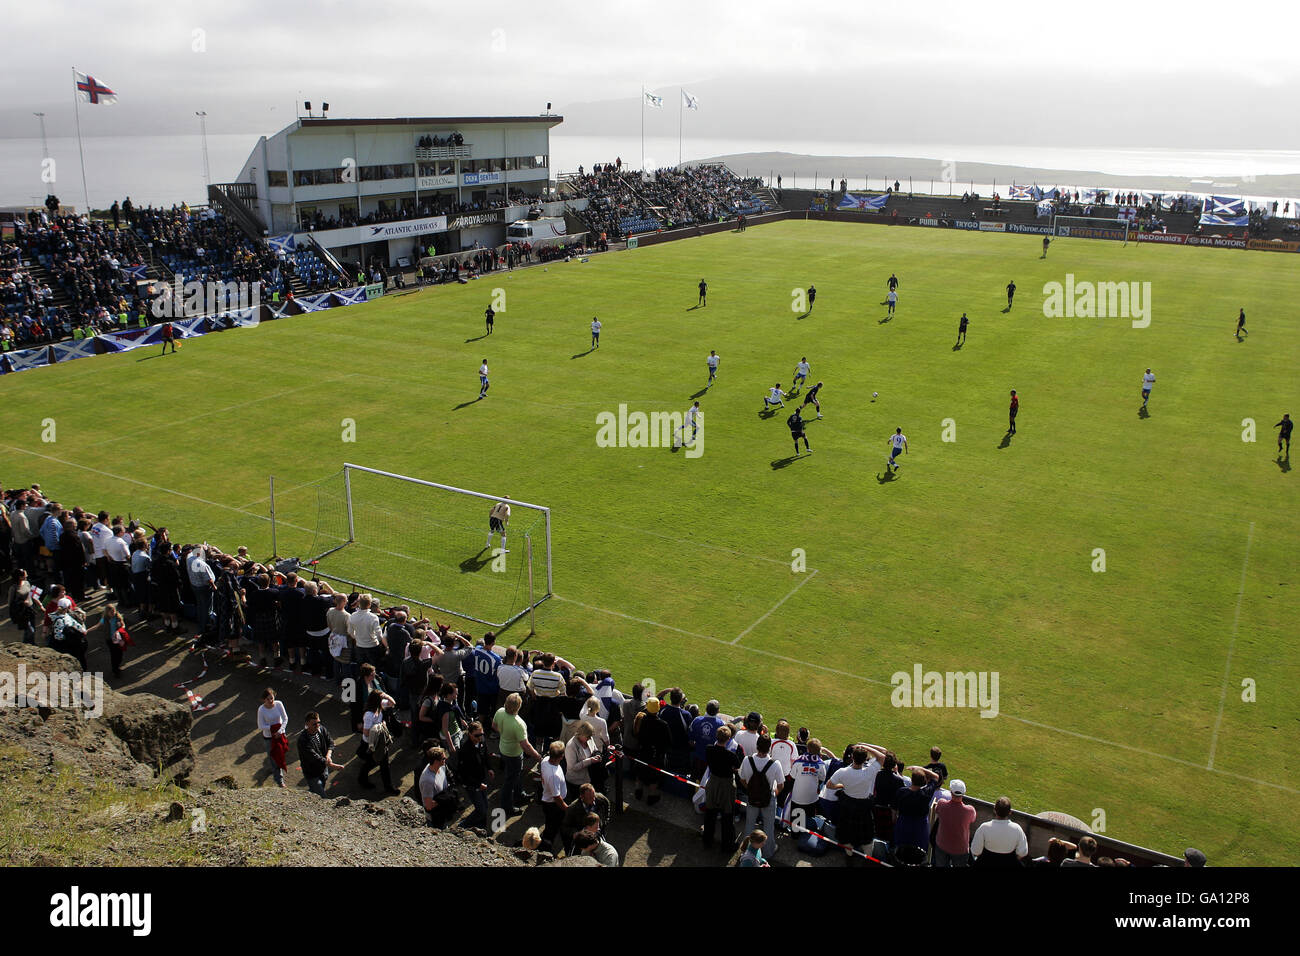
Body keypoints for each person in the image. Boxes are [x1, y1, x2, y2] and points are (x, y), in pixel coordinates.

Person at [493, 692, 543, 817]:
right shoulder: (519, 723)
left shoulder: (500, 711)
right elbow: (526, 746)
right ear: (519, 707)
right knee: (509, 781)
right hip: (513, 754)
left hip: (504, 749)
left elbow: (494, 726)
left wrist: (505, 734)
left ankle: (520, 795)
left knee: (516, 774)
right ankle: (507, 807)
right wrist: (538, 757)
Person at [739, 736, 784, 857]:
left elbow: (742, 779)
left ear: (757, 745)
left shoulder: (747, 760)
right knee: (768, 827)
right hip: (768, 798)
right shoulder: (775, 764)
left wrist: (751, 789)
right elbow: (780, 785)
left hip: (752, 797)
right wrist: (774, 793)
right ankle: (768, 852)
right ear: (769, 748)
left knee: (749, 824)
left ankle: (746, 851)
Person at [702, 723, 741, 850]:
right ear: (728, 739)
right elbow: (737, 767)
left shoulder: (709, 749)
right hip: (726, 784)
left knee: (710, 812)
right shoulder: (731, 756)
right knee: (727, 815)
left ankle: (707, 840)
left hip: (713, 782)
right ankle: (727, 844)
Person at [358, 690, 400, 794]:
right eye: (382, 698)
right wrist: (380, 727)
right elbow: (366, 732)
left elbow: (393, 703)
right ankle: (363, 779)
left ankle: (387, 787)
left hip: (379, 742)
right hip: (371, 743)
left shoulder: (379, 706)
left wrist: (385, 695)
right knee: (373, 763)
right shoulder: (369, 714)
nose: (384, 699)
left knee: (382, 764)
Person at [970, 796, 1029, 867]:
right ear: (1010, 812)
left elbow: (975, 851)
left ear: (994, 810)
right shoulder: (1017, 829)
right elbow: (1023, 852)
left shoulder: (984, 827)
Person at [456, 721, 494, 828]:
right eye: (476, 735)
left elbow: (485, 755)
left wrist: (490, 768)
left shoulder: (482, 742)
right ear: (470, 734)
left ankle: (481, 827)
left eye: (481, 734)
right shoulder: (465, 750)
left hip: (481, 778)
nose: (479, 737)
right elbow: (463, 773)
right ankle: (462, 826)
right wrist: (477, 784)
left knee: (485, 806)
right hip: (472, 784)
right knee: (481, 809)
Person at [298, 711, 343, 797]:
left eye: (318, 722)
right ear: (307, 724)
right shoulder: (303, 740)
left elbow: (331, 742)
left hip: (323, 769)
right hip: (312, 772)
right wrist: (331, 765)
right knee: (322, 797)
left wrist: (328, 755)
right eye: (314, 724)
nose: (317, 726)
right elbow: (314, 757)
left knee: (318, 789)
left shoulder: (321, 729)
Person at [256, 688, 289, 788]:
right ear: (264, 700)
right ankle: (279, 779)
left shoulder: (279, 704)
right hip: (269, 737)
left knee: (281, 754)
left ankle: (277, 772)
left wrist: (279, 731)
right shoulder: (261, 710)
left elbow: (285, 718)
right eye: (268, 699)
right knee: (274, 758)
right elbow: (260, 726)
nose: (270, 701)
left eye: (272, 698)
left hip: (280, 734)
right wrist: (272, 729)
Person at [539, 741, 569, 851]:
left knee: (550, 824)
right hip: (553, 805)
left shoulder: (545, 760)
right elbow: (556, 797)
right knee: (552, 827)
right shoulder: (554, 776)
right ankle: (545, 849)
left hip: (548, 800)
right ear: (561, 757)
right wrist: (567, 809)